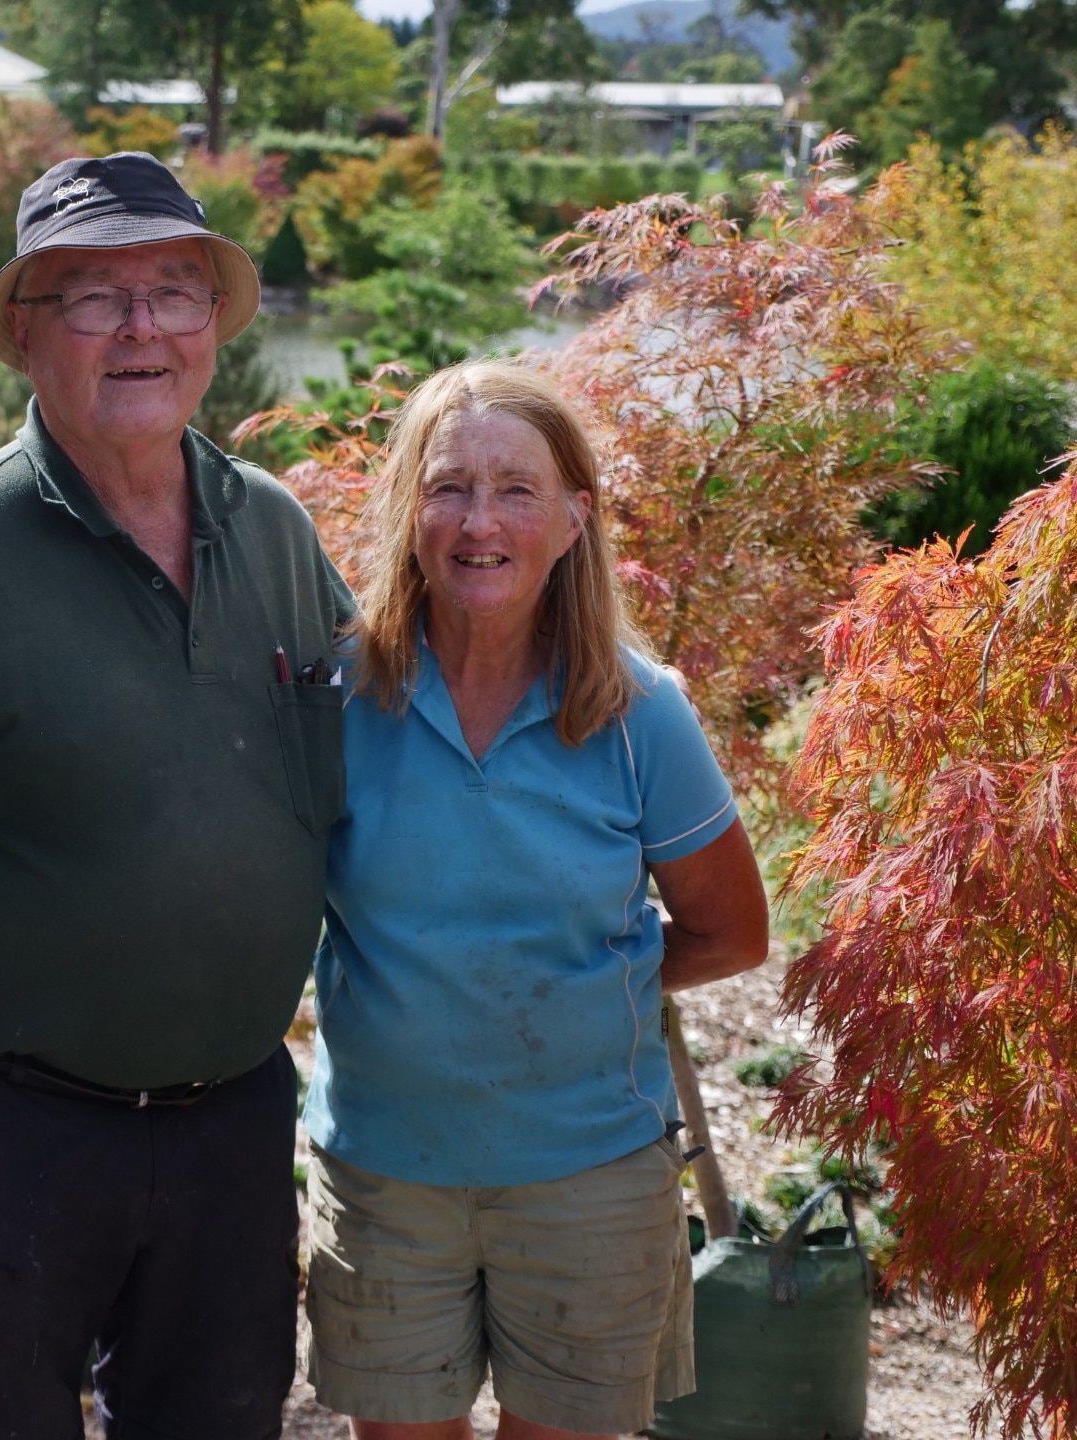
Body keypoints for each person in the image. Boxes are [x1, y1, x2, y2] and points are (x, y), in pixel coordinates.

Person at [0, 151, 351, 1437]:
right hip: (5, 1139)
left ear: (215, 324)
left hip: (231, 1127)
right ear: (26, 336)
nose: (142, 327)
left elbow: (373, 767)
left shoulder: (275, 532)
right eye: (94, 297)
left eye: (175, 290)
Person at [300, 359, 770, 1440]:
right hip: (384, 1174)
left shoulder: (640, 713)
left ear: (574, 518)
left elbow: (731, 931)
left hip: (588, 1181)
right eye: (449, 484)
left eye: (517, 489)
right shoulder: (337, 702)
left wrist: (587, 986)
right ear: (407, 510)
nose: (481, 519)